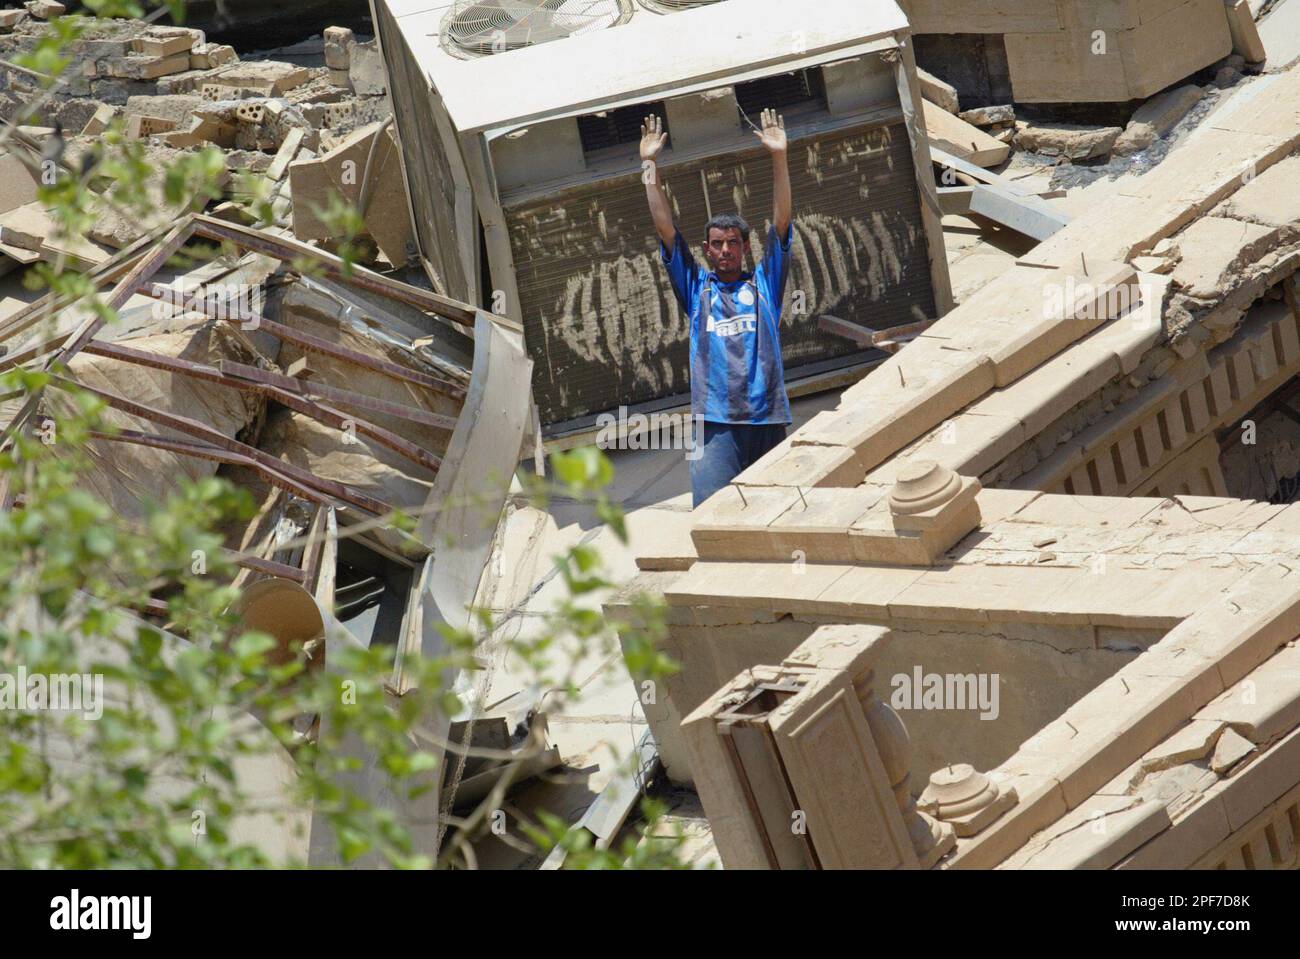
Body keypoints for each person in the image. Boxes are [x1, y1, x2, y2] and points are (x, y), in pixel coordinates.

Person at [640, 108, 795, 507]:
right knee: (713, 515)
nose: (725, 250)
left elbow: (781, 222)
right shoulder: (697, 289)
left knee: (775, 512)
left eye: (733, 243)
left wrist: (779, 156)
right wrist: (648, 166)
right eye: (717, 244)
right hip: (715, 424)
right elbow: (664, 227)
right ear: (706, 250)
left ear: (745, 247)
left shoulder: (764, 284)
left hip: (768, 418)